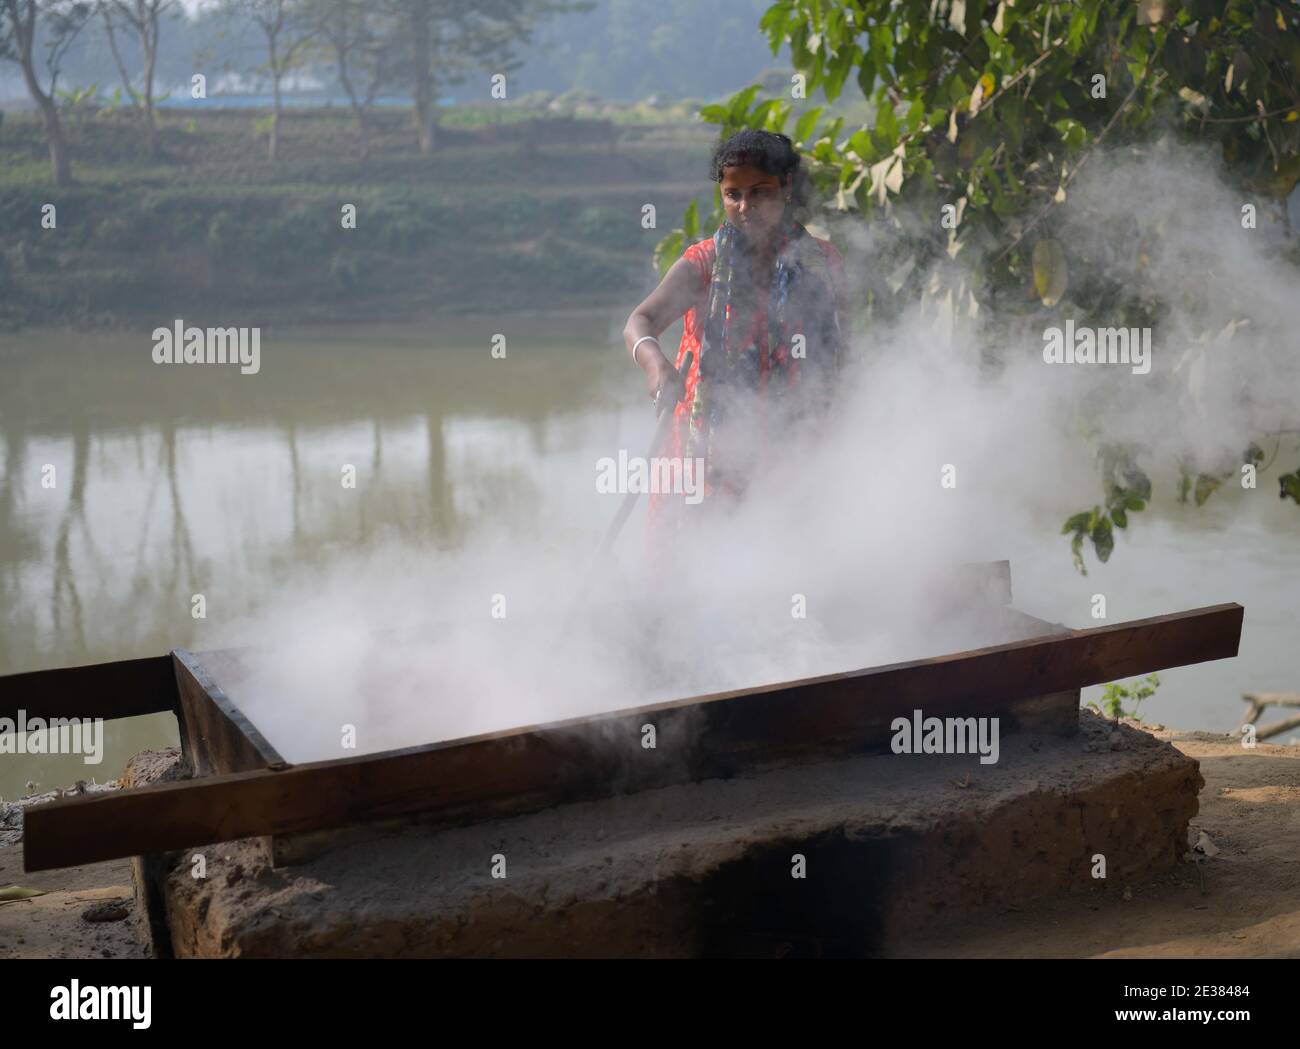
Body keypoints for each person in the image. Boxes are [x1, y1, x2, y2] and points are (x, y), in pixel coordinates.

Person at [622, 129, 849, 542]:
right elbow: (641, 321)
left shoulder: (824, 264)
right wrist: (656, 367)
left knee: (788, 570)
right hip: (706, 454)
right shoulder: (704, 263)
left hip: (798, 449)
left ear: (786, 187)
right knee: (698, 573)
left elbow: (842, 355)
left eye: (760, 192)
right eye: (733, 194)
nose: (746, 207)